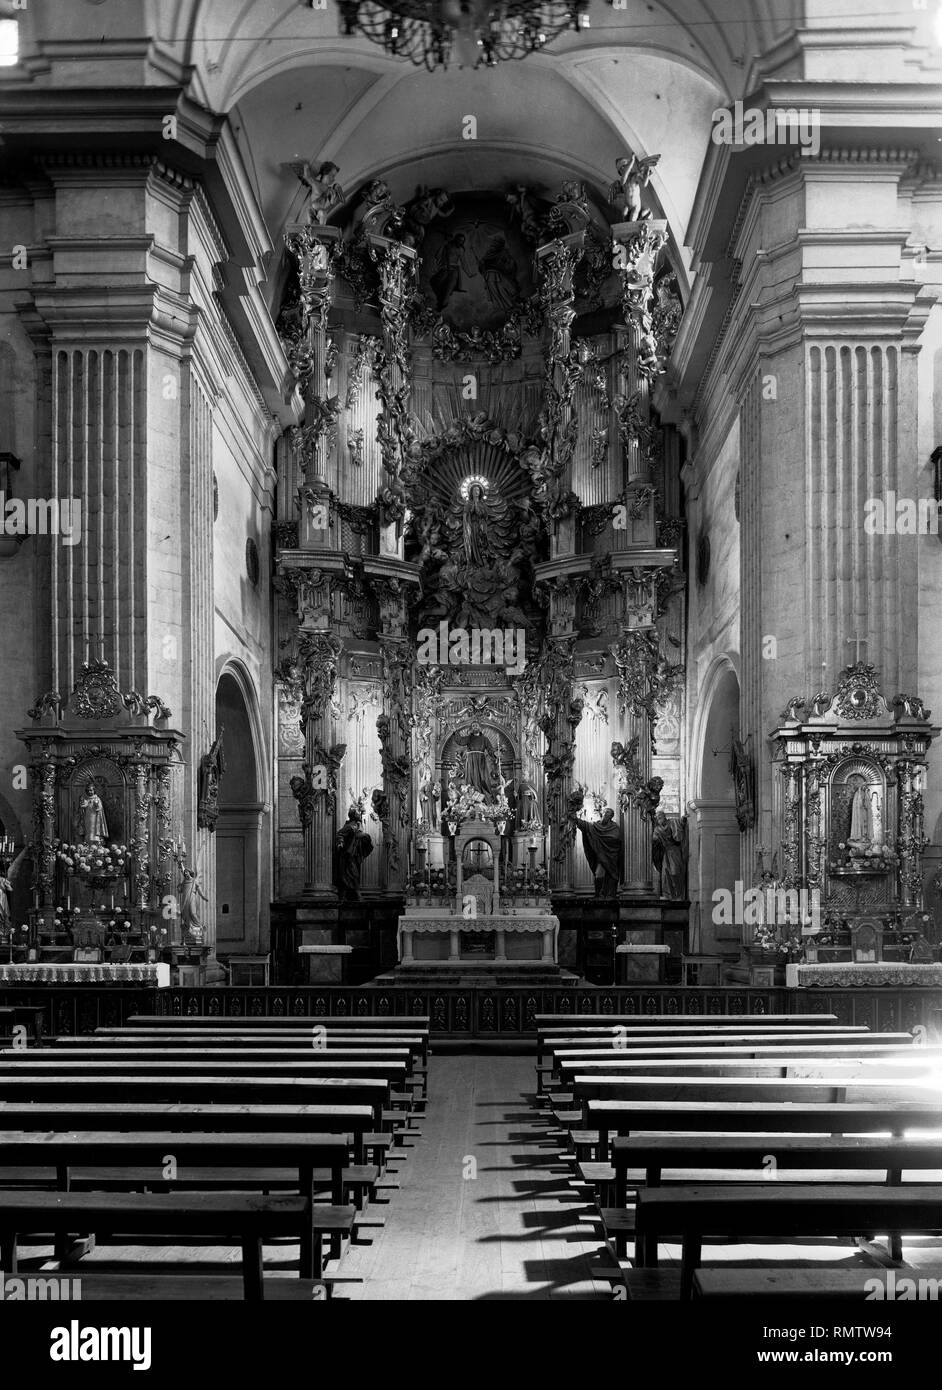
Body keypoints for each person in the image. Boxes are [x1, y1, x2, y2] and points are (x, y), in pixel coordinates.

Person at [574, 807, 623, 898]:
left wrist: (607, 841)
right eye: (604, 812)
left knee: (612, 876)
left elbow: (616, 839)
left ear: (611, 816)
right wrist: (576, 819)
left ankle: (610, 894)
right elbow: (586, 826)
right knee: (598, 875)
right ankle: (598, 893)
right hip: (601, 856)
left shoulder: (614, 827)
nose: (605, 814)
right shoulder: (595, 825)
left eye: (607, 813)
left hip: (611, 856)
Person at [336, 808, 373, 902]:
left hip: (354, 855)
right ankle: (357, 894)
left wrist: (365, 837)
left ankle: (343, 896)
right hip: (348, 855)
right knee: (352, 874)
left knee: (350, 875)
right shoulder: (350, 826)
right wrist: (340, 842)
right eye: (357, 814)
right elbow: (340, 834)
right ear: (353, 816)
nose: (359, 815)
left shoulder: (357, 826)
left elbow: (359, 836)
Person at [652, 811, 687, 899]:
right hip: (666, 852)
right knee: (665, 874)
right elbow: (655, 840)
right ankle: (668, 895)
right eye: (657, 817)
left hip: (675, 850)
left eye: (660, 816)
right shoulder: (657, 829)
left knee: (675, 872)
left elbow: (680, 824)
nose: (659, 819)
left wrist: (683, 820)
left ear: (664, 816)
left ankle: (678, 894)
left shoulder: (672, 822)